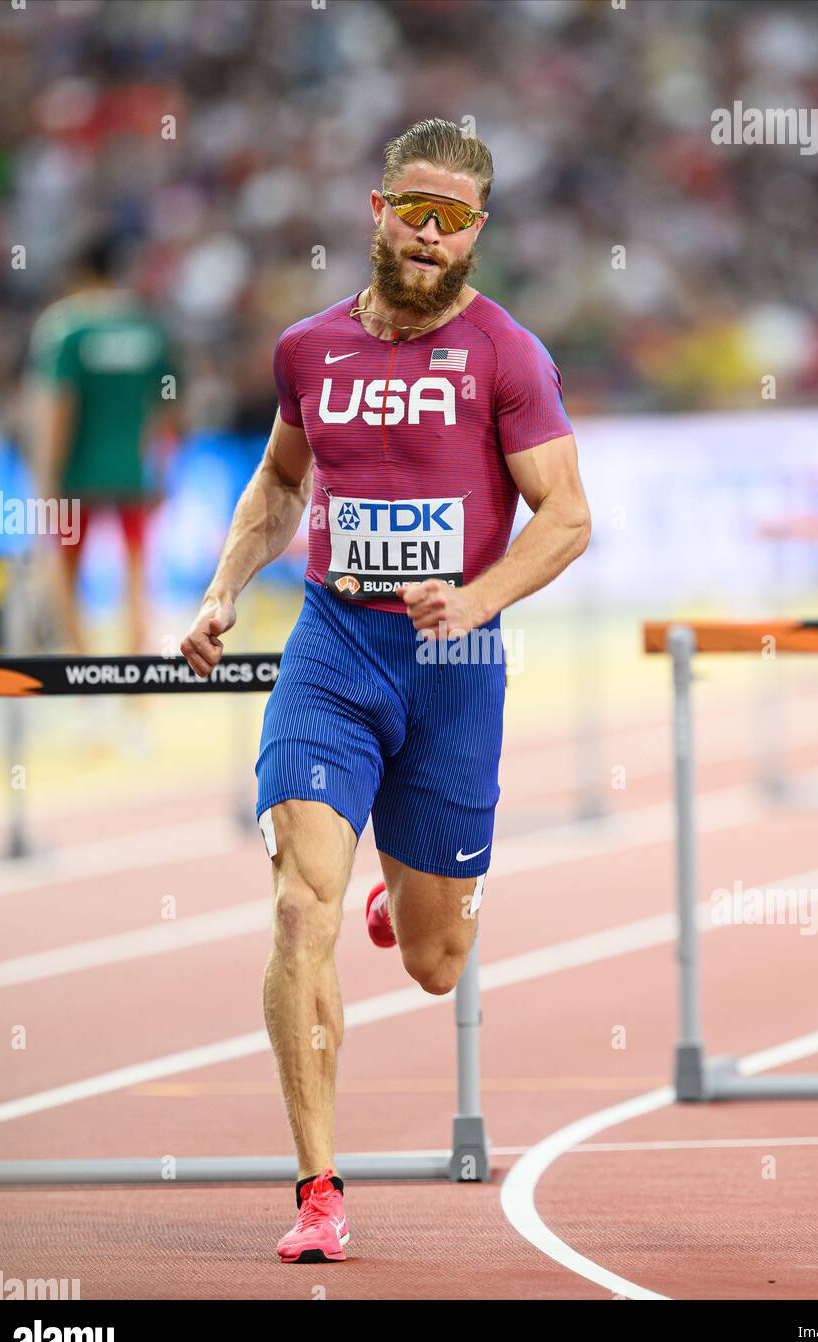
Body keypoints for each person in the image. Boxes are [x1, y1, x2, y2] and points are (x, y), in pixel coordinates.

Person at [180, 118, 590, 1262]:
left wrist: (477, 598)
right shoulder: (310, 350)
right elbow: (276, 480)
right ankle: (318, 1188)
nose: (429, 231)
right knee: (297, 910)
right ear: (376, 209)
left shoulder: (508, 354)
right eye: (414, 207)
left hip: (454, 666)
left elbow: (567, 517)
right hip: (333, 651)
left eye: (454, 218)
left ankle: (406, 896)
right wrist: (222, 590)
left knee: (432, 960)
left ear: (477, 234)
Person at [26, 235, 179, 653]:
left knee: (66, 567)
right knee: (136, 571)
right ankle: (136, 678)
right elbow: (165, 405)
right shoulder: (148, 327)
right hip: (134, 469)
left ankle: (80, 670)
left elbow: (59, 406)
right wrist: (163, 471)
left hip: (77, 471)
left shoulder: (66, 327)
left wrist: (46, 477)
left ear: (82, 274)